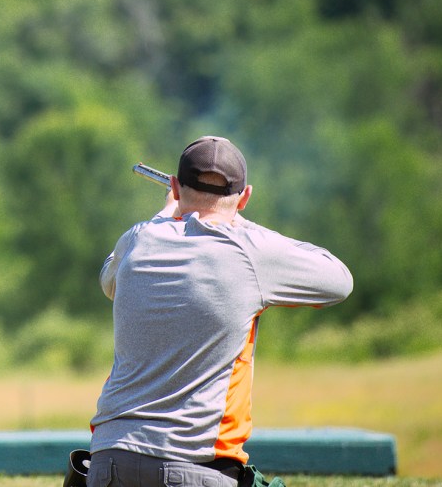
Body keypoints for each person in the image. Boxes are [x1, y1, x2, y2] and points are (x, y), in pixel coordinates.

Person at [86, 136, 352, 487]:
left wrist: (168, 214)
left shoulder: (138, 238)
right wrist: (237, 225)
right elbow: (339, 280)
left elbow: (110, 280)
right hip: (197, 466)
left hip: (107, 462)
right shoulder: (249, 248)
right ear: (244, 197)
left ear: (176, 187)